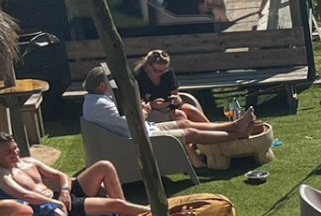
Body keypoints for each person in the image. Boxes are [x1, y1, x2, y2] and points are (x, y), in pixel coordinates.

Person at [80, 65, 257, 153]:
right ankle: (238, 133)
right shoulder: (100, 104)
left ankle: (235, 126)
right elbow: (129, 125)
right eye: (110, 84)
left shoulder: (96, 102)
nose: (114, 87)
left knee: (184, 122)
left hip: (148, 130)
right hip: (142, 139)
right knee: (189, 133)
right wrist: (145, 111)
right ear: (102, 85)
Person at [0, 131, 143, 216]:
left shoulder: (29, 161)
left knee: (104, 166)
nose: (15, 153)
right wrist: (57, 202)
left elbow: (61, 176)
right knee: (116, 204)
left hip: (63, 194)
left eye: (15, 148)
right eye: (8, 151)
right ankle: (159, 214)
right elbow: (26, 196)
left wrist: (65, 191)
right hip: (51, 205)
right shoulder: (2, 174)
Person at [131, 50, 208, 123]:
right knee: (179, 115)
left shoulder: (168, 73)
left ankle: (215, 131)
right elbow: (136, 103)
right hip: (148, 109)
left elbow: (175, 94)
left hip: (169, 105)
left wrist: (176, 100)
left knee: (193, 111)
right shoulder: (137, 77)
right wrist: (152, 104)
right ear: (147, 65)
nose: (159, 73)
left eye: (163, 70)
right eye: (156, 70)